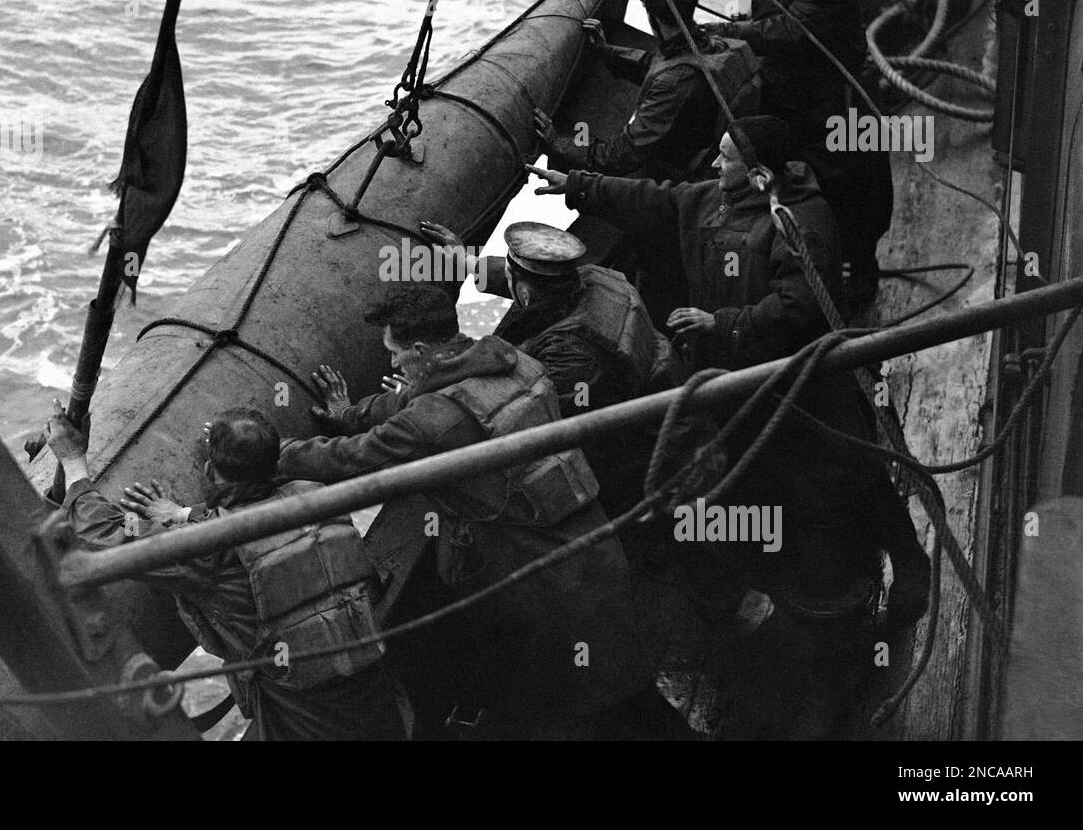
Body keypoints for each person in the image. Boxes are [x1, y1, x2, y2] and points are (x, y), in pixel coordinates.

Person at [526, 115, 928, 631]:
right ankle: (802, 574)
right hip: (737, 379)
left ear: (759, 173)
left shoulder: (799, 221)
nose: (715, 164)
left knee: (850, 466)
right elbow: (653, 198)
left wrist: (721, 322)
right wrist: (578, 183)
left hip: (803, 379)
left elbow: (799, 306)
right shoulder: (712, 200)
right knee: (770, 475)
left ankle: (907, 559)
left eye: (726, 158)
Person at [282, 283, 689, 739]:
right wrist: (353, 413)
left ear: (419, 350)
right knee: (624, 686)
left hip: (536, 583)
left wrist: (272, 453)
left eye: (395, 354)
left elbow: (349, 459)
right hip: (593, 548)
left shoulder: (437, 418)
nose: (393, 364)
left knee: (569, 706)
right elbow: (415, 404)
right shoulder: (516, 363)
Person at [46, 400, 411, 741]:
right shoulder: (318, 496)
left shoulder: (209, 550)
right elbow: (263, 514)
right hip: (379, 698)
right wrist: (185, 515)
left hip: (304, 720)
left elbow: (103, 530)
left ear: (208, 470)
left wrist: (74, 462)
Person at [639, 0, 892, 307]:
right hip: (790, 94)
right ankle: (792, 259)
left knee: (852, 186)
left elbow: (787, 31)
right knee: (796, 178)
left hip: (836, 100)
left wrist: (720, 28)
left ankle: (859, 271)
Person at [407, 218, 681, 517]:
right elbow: (531, 285)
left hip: (634, 448)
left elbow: (522, 408)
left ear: (523, 294)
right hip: (657, 398)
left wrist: (437, 372)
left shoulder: (572, 354)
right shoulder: (598, 278)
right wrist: (469, 262)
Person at [536, 0, 758, 182]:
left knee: (583, 170)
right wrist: (607, 51)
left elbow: (625, 153)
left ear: (654, 18)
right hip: (715, 149)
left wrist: (558, 144)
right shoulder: (714, 43)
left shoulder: (675, 81)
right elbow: (655, 63)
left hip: (683, 177)